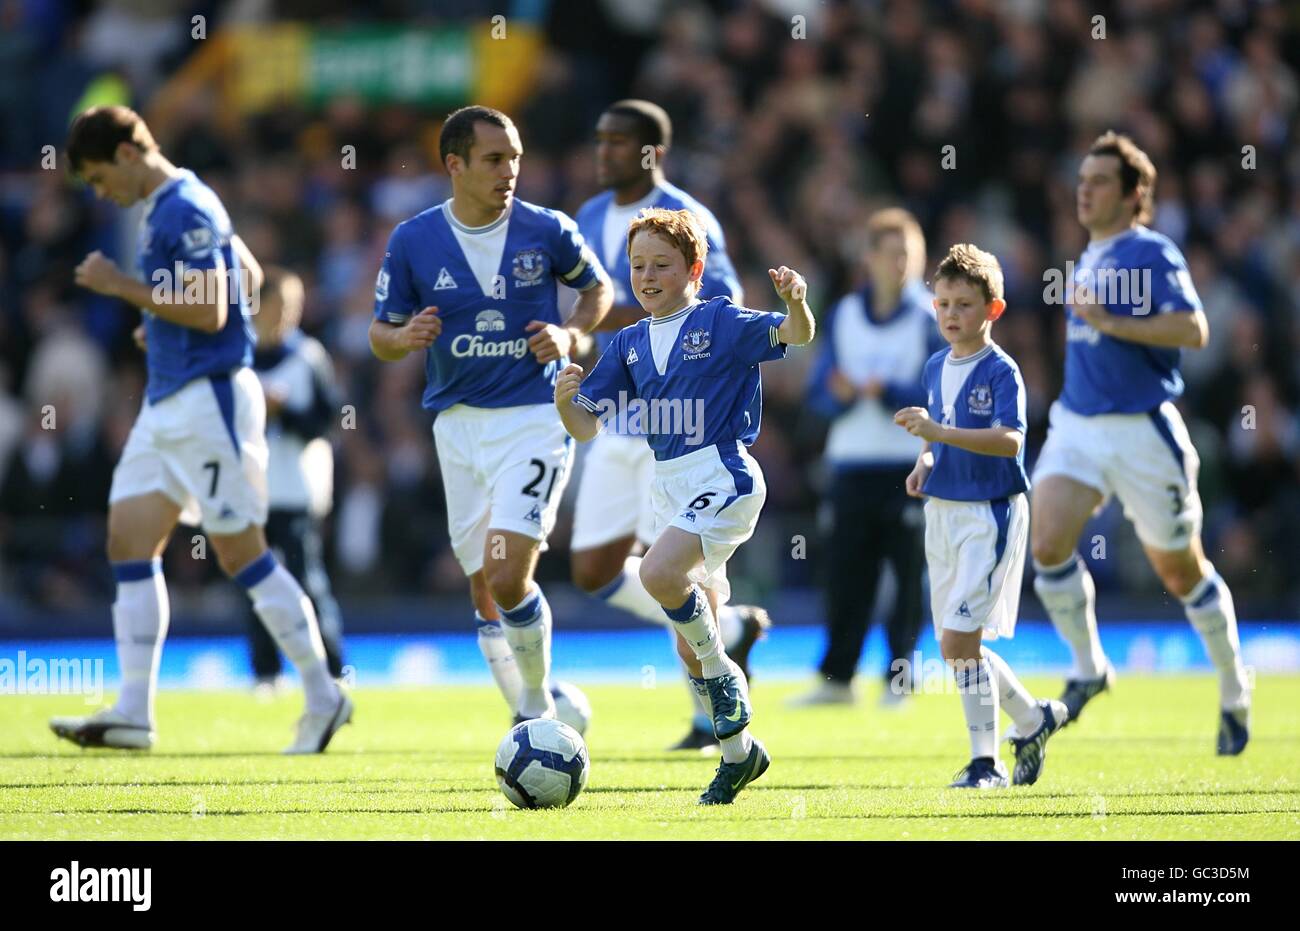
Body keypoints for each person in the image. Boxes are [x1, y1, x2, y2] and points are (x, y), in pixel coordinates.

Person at [50, 106, 348, 754]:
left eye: (100, 178)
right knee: (128, 539)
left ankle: (325, 693)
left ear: (130, 153)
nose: (102, 194)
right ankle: (134, 710)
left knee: (243, 554)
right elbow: (247, 274)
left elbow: (214, 309)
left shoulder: (184, 206)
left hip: (209, 401)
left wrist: (124, 287)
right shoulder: (175, 205)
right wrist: (158, 321)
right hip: (169, 402)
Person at [554, 207, 815, 804]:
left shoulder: (720, 321)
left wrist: (795, 301)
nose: (647, 276)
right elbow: (585, 427)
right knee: (688, 642)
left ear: (695, 269)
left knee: (655, 574)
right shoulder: (627, 343)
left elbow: (796, 335)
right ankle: (740, 755)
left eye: (662, 265)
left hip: (724, 474)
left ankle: (726, 678)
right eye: (638, 265)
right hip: (671, 485)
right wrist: (567, 399)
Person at [369, 105, 611, 723]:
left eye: (516, 159)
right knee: (482, 587)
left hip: (535, 415)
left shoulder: (547, 229)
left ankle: (535, 709)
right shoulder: (413, 240)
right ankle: (526, 711)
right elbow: (379, 332)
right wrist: (406, 337)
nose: (510, 171)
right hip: (457, 427)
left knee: (507, 576)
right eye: (495, 159)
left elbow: (598, 290)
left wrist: (571, 335)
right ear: (455, 165)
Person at [1029, 132, 1252, 755]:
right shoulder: (1088, 255)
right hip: (1077, 424)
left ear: (1134, 197)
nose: (1084, 190)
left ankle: (1235, 688)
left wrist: (1113, 322)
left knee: (1181, 572)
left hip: (1142, 431)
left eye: (1099, 181)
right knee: (1045, 543)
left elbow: (1195, 329)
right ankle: (1089, 666)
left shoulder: (1151, 252)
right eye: (1081, 179)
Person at [571, 99, 769, 752]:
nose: (604, 152)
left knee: (670, 564)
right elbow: (576, 306)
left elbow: (726, 307)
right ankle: (729, 629)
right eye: (600, 140)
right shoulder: (591, 216)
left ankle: (710, 716)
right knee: (595, 569)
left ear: (652, 152)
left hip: (683, 427)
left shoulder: (689, 217)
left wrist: (612, 320)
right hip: (618, 412)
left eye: (618, 142)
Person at [895, 244, 1068, 788]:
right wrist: (926, 461)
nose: (950, 314)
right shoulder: (933, 365)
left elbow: (1010, 440)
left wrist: (938, 436)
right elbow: (938, 436)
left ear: (993, 310)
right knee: (958, 645)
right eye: (942, 303)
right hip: (943, 514)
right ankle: (1034, 720)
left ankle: (985, 762)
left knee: (955, 643)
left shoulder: (1001, 371)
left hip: (989, 516)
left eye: (964, 304)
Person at [793, 207, 941, 708]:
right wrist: (840, 394)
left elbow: (941, 387)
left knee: (907, 577)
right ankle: (839, 678)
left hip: (907, 465)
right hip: (851, 464)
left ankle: (901, 678)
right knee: (845, 575)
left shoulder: (930, 316)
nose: (902, 265)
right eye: (893, 254)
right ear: (870, 259)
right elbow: (818, 391)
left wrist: (888, 392)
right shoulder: (843, 314)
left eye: (911, 256)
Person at [245, 266, 345, 693]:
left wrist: (285, 412)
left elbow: (330, 421)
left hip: (297, 490)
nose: (287, 315)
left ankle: (333, 669)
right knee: (256, 585)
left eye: (294, 306)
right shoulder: (238, 357)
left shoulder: (308, 356)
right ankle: (266, 674)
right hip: (250, 491)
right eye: (280, 306)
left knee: (308, 581)